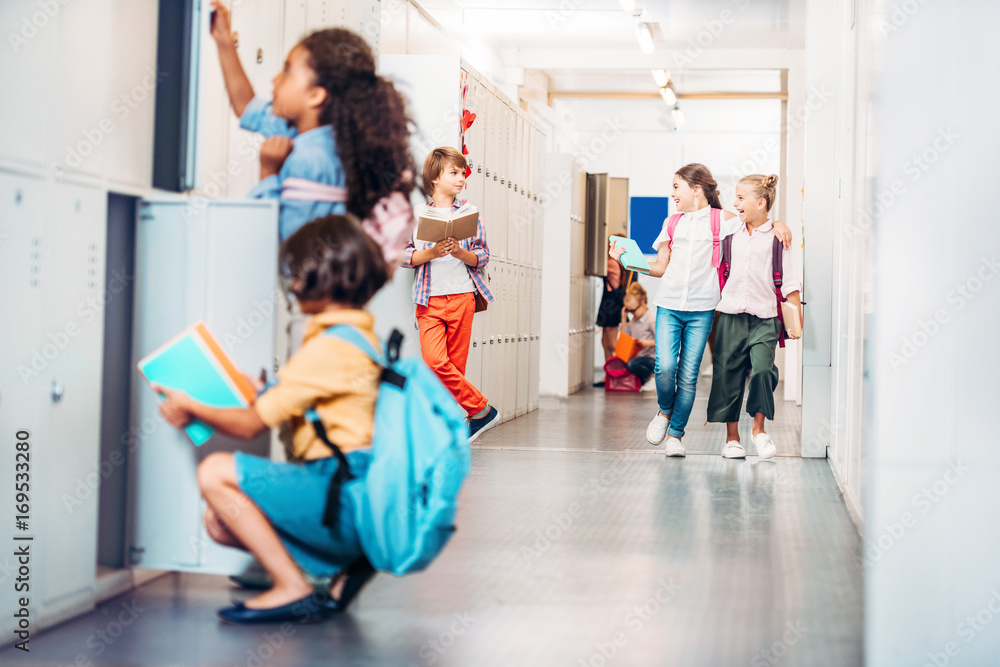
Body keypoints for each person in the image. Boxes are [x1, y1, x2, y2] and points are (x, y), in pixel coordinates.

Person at [153, 215, 387, 624]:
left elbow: (250, 426)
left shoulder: (328, 348)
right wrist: (265, 391)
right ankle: (340, 566)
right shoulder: (357, 337)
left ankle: (293, 587)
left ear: (322, 276)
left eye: (296, 272)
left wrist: (191, 407)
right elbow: (310, 402)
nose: (291, 284)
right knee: (220, 522)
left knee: (214, 472)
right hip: (359, 492)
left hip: (342, 493)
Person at [611, 164, 792, 457]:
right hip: (669, 305)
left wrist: (780, 224)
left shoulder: (724, 220)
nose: (672, 194)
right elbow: (660, 267)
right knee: (665, 367)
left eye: (676, 187)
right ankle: (664, 412)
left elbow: (757, 222)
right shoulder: (672, 222)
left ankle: (675, 436)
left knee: (688, 375)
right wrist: (627, 261)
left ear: (696, 190)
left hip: (702, 309)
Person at [210, 1, 414, 242]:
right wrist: (224, 40)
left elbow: (286, 243)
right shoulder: (307, 134)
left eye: (287, 72)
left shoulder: (310, 160)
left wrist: (268, 173)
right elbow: (246, 107)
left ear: (315, 95)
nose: (275, 79)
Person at [402, 147, 499, 442]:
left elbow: (482, 256)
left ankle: (445, 431)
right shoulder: (417, 214)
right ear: (435, 177)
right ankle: (481, 410)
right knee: (435, 363)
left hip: (462, 297)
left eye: (462, 173)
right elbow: (403, 255)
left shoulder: (470, 213)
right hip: (428, 299)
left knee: (454, 369)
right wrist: (431, 252)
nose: (461, 178)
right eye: (454, 173)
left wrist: (460, 252)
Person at [707, 174, 802, 460]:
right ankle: (731, 439)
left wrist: (796, 322)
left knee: (763, 370)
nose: (735, 202)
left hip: (765, 318)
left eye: (741, 197)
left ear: (761, 203)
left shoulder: (777, 238)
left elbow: (790, 283)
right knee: (728, 373)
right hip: (730, 316)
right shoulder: (729, 232)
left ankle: (758, 431)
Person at [594, 249, 626, 387]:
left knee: (612, 343)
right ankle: (609, 374)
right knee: (605, 341)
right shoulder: (614, 262)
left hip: (611, 305)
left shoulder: (611, 262)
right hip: (608, 303)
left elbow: (597, 270)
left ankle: (621, 373)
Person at [620, 282, 656, 385]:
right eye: (629, 311)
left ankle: (652, 378)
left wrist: (648, 343)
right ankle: (645, 380)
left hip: (651, 359)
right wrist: (623, 318)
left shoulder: (651, 320)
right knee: (624, 363)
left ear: (643, 304)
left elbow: (662, 342)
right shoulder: (633, 321)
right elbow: (624, 337)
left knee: (632, 364)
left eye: (633, 310)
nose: (632, 313)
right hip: (639, 358)